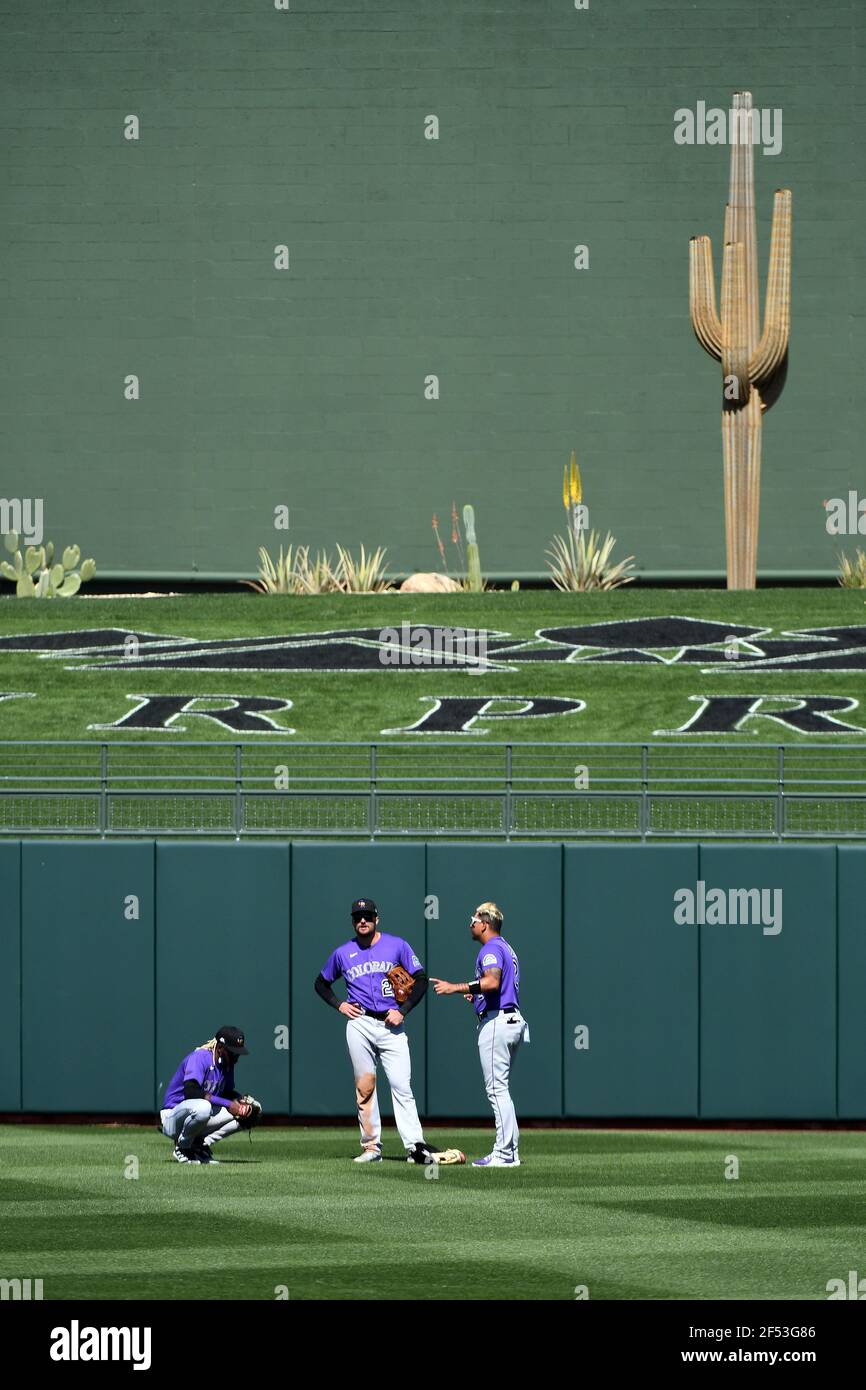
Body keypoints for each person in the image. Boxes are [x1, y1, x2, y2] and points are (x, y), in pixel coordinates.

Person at [314, 897, 436, 1164]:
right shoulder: (343, 952)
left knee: (401, 1085)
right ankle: (371, 1147)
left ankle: (415, 1146)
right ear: (353, 921)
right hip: (360, 1023)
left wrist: (402, 1011)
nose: (362, 921)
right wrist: (340, 1005)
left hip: (392, 1022)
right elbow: (321, 983)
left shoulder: (397, 945)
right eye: (358, 917)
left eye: (367, 916)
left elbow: (421, 980)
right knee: (365, 1086)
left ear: (376, 918)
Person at [431, 901, 528, 1167]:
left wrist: (456, 987)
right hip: (508, 1018)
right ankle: (510, 1152)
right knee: (500, 1089)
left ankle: (505, 1153)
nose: (471, 924)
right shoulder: (505, 946)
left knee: (496, 1089)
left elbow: (492, 981)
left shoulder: (492, 948)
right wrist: (475, 994)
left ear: (485, 923)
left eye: (473, 919)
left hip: (498, 1021)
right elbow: (493, 986)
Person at [160, 1024, 261, 1164]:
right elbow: (191, 1091)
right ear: (220, 1048)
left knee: (249, 1112)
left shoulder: (227, 1064)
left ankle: (200, 1145)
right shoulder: (200, 1057)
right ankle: (182, 1147)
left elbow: (225, 1093)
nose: (236, 1056)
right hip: (173, 1116)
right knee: (204, 1107)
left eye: (238, 1052)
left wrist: (240, 1101)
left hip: (196, 1117)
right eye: (233, 1052)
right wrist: (229, 1104)